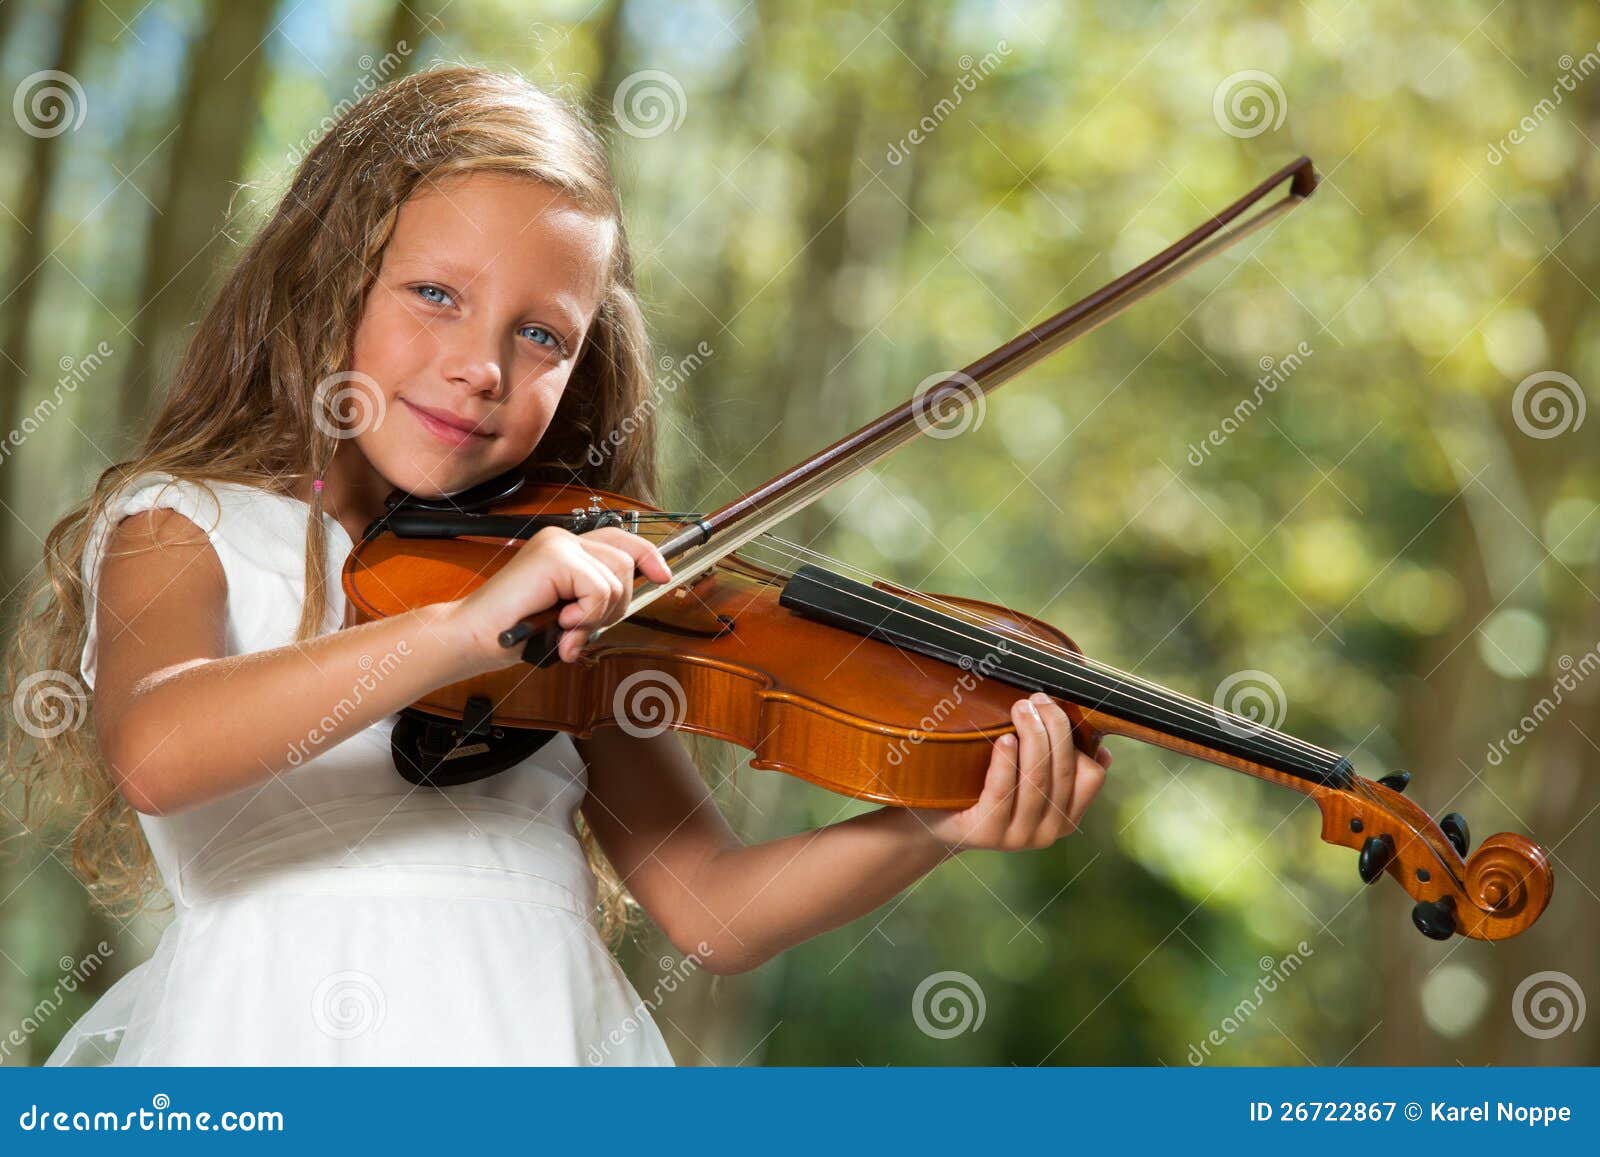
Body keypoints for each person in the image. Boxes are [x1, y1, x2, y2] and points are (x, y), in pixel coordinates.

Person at [3, 65, 1110, 1066]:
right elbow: (159, 747)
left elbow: (712, 909)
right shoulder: (181, 521)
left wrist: (931, 822)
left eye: (542, 337)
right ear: (326, 279)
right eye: (435, 294)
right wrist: (460, 628)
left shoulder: (565, 588)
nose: (480, 365)